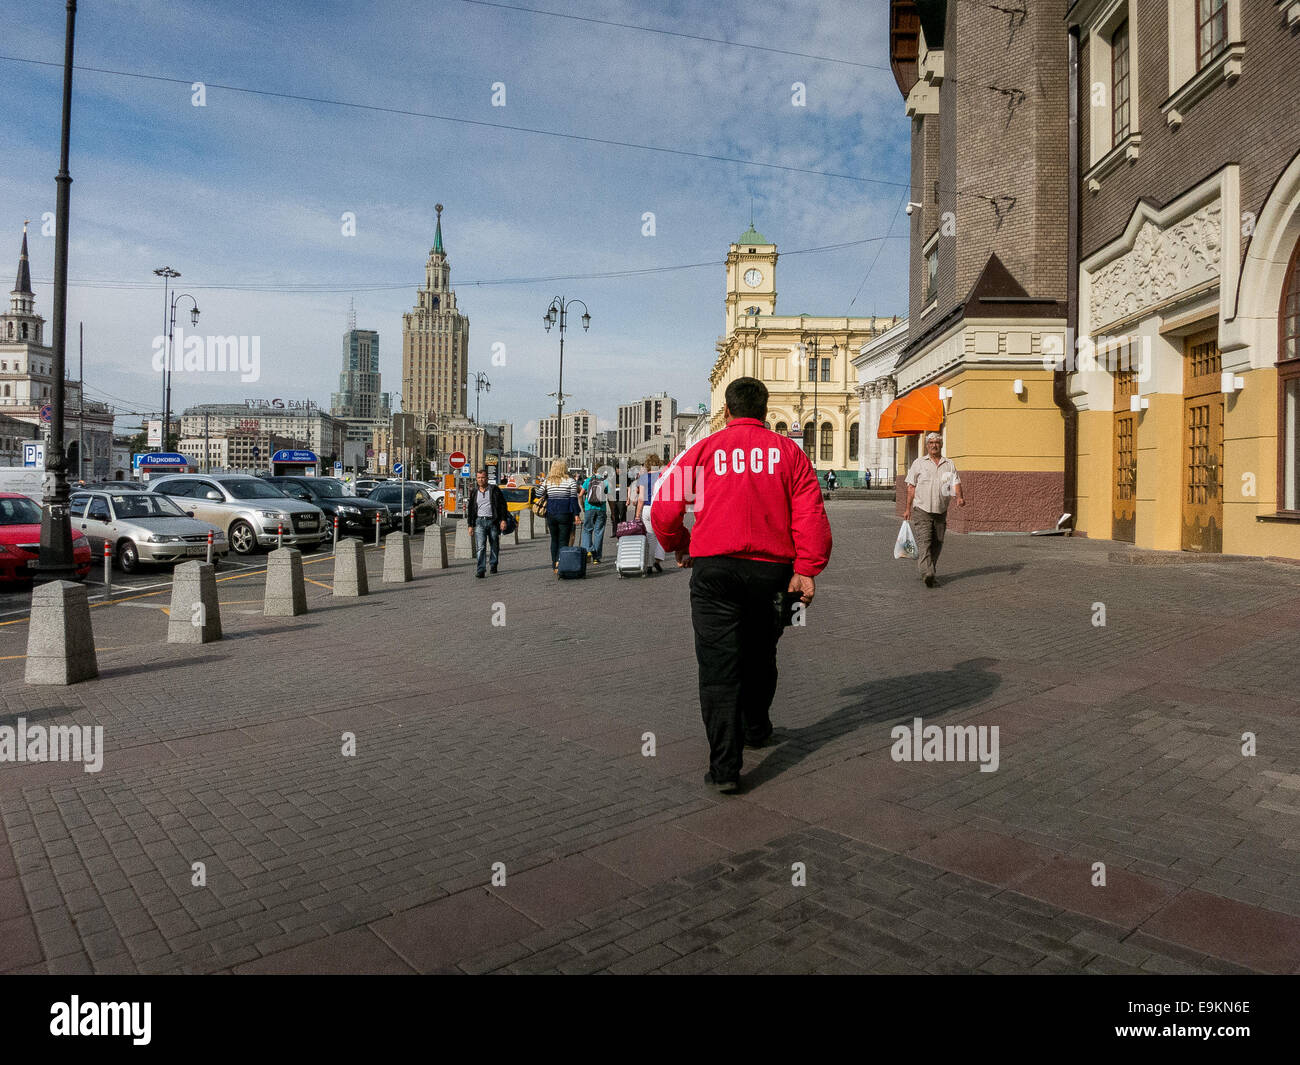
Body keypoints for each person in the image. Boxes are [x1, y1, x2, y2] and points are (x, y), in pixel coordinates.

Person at [652, 377, 831, 795]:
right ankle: (756, 726)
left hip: (714, 571)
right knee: (761, 653)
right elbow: (811, 516)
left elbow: (662, 510)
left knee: (718, 667)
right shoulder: (790, 454)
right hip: (772, 574)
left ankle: (725, 768)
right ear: (765, 413)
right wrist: (806, 568)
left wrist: (681, 543)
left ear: (727, 412)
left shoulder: (702, 451)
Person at [903, 431, 966, 588]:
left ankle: (930, 569)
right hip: (922, 508)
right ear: (927, 446)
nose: (934, 445)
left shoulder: (949, 464)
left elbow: (955, 482)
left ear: (941, 445)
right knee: (925, 541)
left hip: (941, 509)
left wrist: (959, 497)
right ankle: (928, 573)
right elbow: (911, 487)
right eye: (931, 443)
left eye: (936, 442)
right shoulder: (919, 463)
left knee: (937, 542)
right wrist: (908, 508)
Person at [538, 459, 582, 572]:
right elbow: (573, 500)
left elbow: (538, 494)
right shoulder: (570, 481)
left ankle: (554, 565)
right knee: (563, 540)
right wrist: (576, 515)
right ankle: (560, 562)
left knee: (554, 540)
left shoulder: (548, 481)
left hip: (551, 514)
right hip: (565, 514)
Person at [466, 468, 508, 578]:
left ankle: (493, 564)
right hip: (479, 522)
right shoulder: (474, 492)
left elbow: (503, 505)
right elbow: (471, 509)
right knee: (481, 547)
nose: (481, 480)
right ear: (476, 479)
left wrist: (503, 520)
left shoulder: (494, 490)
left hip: (493, 521)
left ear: (487, 478)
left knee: (494, 544)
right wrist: (470, 525)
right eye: (479, 478)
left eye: (483, 477)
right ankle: (481, 569)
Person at [629, 453, 666, 573]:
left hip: (646, 508)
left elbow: (641, 498)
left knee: (650, 536)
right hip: (659, 508)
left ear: (647, 465)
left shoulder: (643, 478)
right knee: (661, 535)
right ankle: (658, 560)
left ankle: (649, 564)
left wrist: (637, 515)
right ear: (658, 464)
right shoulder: (662, 476)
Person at [581, 466, 611, 564]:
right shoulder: (605, 481)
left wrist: (583, 507)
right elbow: (609, 495)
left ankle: (589, 549)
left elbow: (580, 494)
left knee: (587, 530)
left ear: (593, 471)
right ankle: (596, 558)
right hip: (601, 509)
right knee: (599, 532)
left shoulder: (588, 480)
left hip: (589, 508)